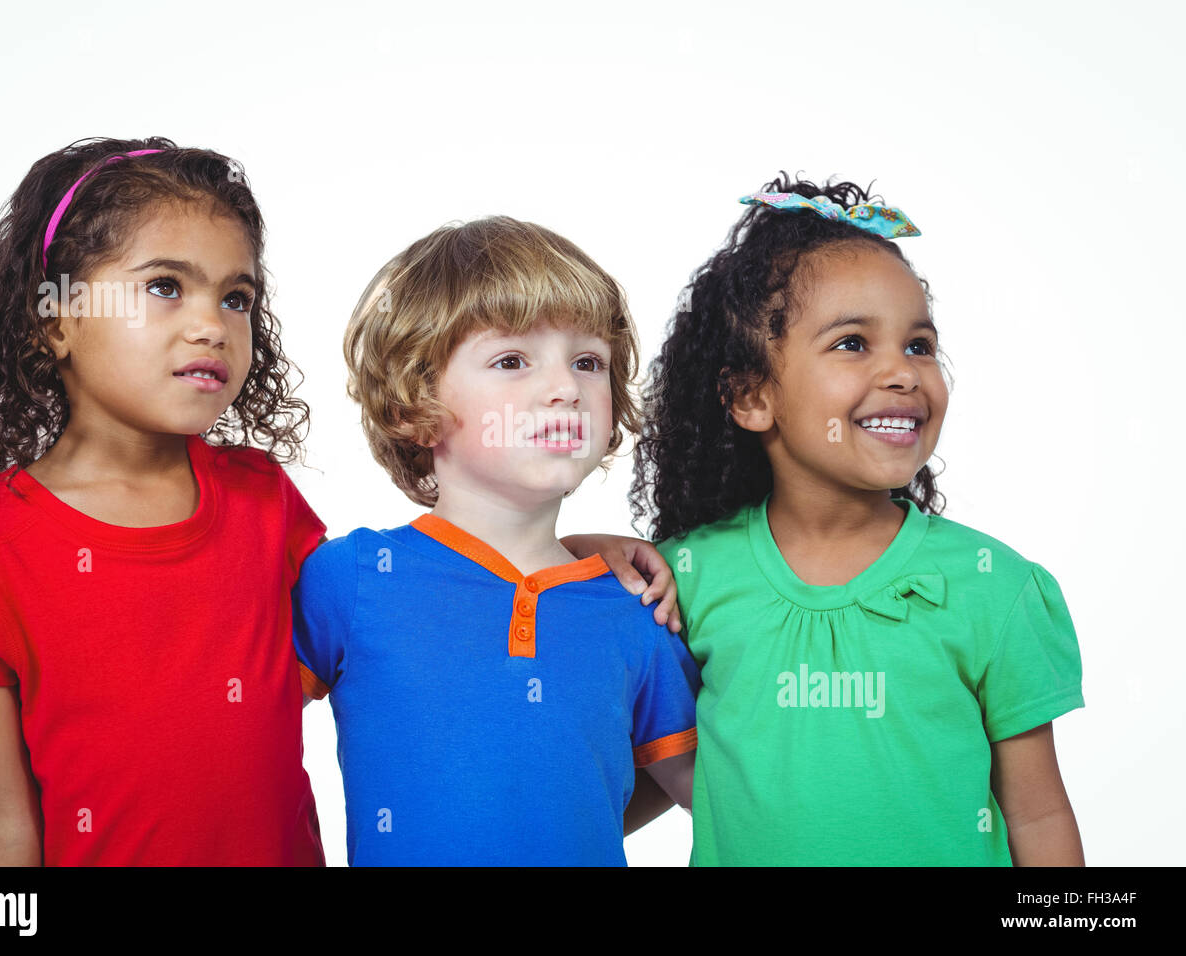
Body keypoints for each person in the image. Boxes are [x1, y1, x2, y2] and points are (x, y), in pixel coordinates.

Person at [0, 137, 329, 865]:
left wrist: (563, 557)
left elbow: (359, 643)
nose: (212, 325)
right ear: (53, 321)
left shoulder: (266, 500)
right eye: (164, 285)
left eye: (237, 297)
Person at [635, 174, 1084, 866]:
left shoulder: (994, 587)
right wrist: (595, 547)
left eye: (919, 345)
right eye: (852, 343)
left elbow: (1040, 812)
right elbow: (652, 772)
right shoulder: (683, 579)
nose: (904, 374)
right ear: (752, 397)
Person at [292, 216, 699, 865]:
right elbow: (232, 728)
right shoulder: (353, 579)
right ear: (411, 405)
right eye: (512, 360)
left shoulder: (636, 605)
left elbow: (714, 792)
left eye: (588, 361)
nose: (566, 388)